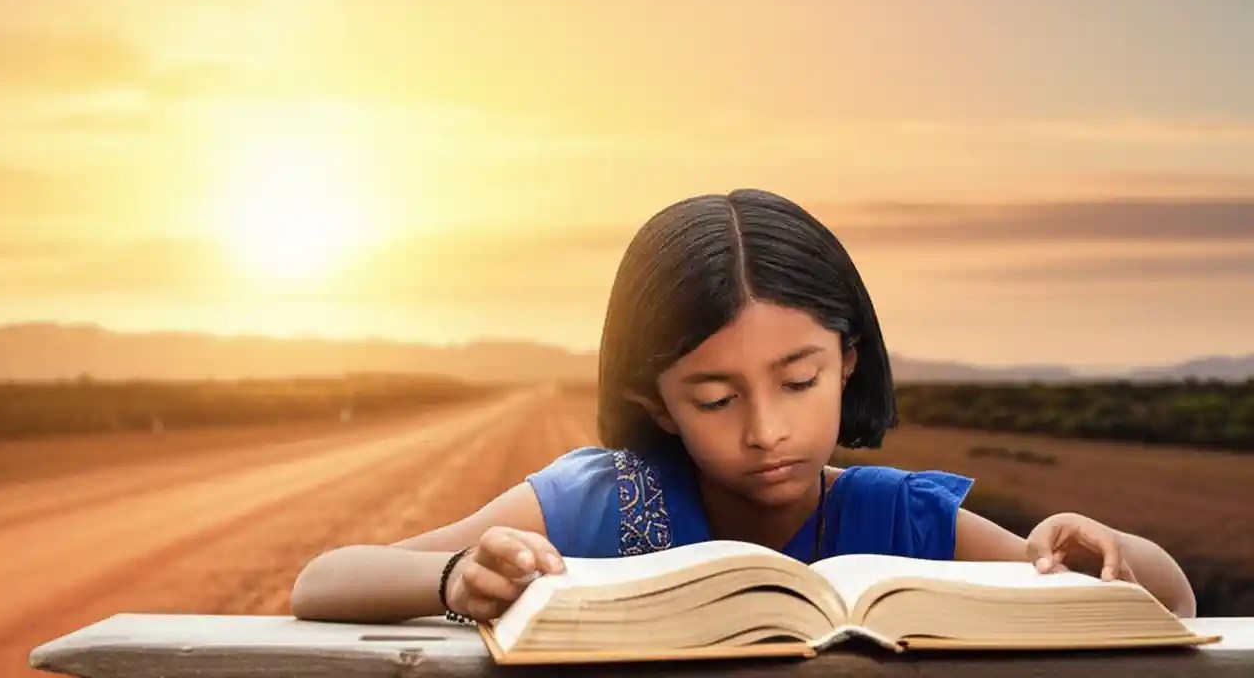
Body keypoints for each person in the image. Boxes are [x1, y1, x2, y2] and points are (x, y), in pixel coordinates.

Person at [290, 189, 1197, 625]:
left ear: (848, 362)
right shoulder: (602, 503)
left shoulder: (901, 518)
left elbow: (1169, 600)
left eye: (799, 383)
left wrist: (1089, 543)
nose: (767, 431)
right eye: (717, 398)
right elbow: (323, 580)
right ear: (656, 401)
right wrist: (456, 578)